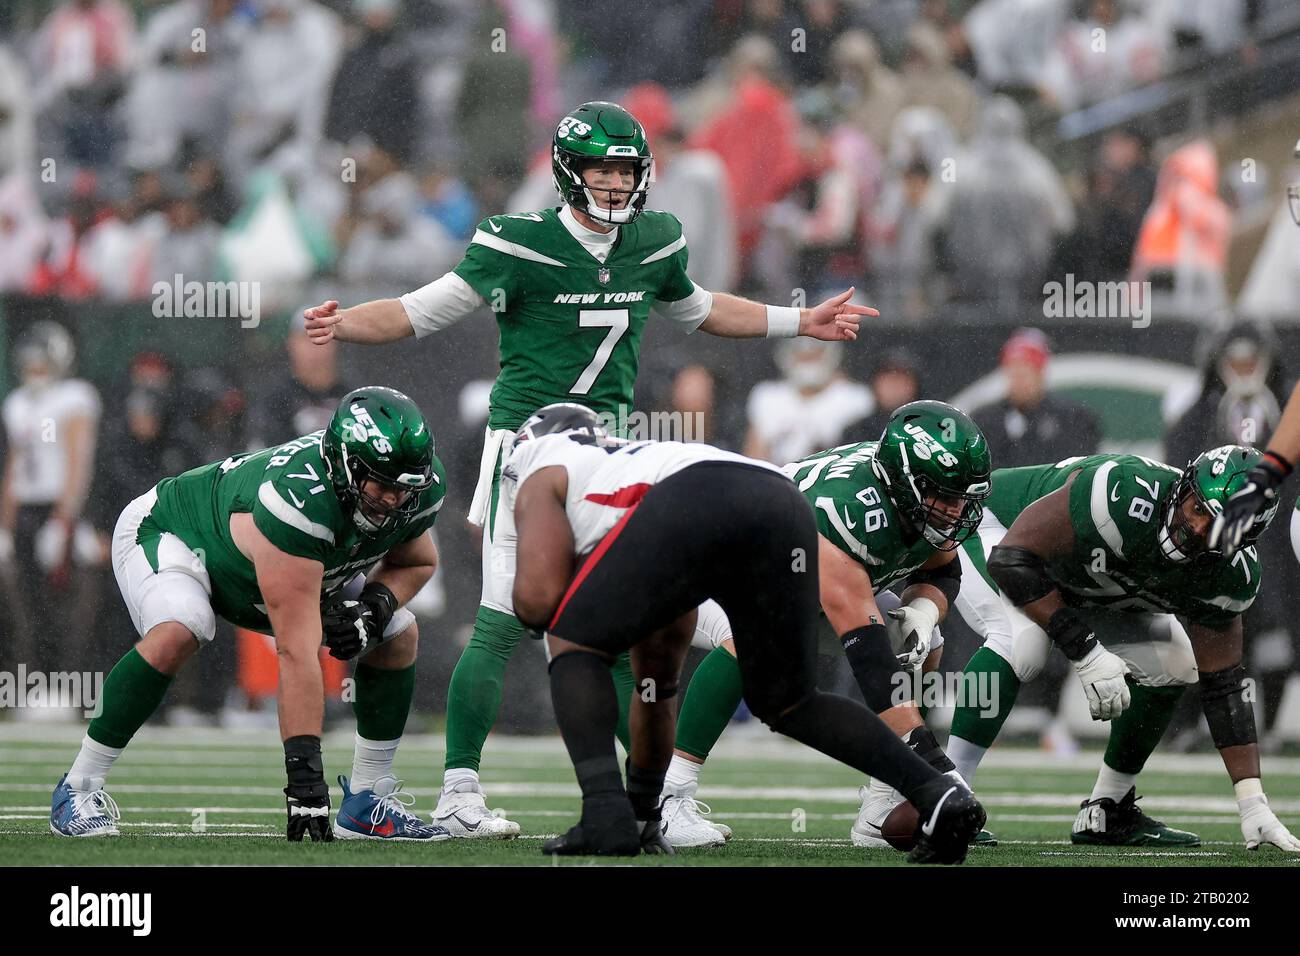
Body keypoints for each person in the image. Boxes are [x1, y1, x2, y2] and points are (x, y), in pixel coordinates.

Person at [301, 101, 875, 839]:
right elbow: (422, 310)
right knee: (505, 619)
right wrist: (344, 321)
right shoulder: (520, 242)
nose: (613, 183)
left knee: (636, 619)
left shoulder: (656, 240)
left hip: (610, 453)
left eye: (626, 170)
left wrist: (801, 320)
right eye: (601, 169)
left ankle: (658, 798)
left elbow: (700, 310)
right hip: (528, 451)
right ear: (569, 173)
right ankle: (459, 792)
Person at [506, 403, 986, 862]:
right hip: (768, 498)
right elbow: (658, 669)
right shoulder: (628, 458)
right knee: (784, 701)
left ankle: (605, 813)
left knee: (573, 641)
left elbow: (534, 604)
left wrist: (576, 609)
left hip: (695, 510)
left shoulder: (539, 458)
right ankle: (936, 794)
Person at [50, 387, 450, 843]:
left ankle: (366, 800)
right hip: (175, 533)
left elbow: (418, 562)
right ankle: (78, 785)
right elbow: (296, 653)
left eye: (405, 488)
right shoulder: (300, 502)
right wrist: (305, 788)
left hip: (266, 572)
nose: (395, 500)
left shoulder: (413, 486)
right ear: (345, 467)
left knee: (398, 631)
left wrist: (375, 608)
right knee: (185, 624)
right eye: (382, 485)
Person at [661, 400, 992, 849]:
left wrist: (924, 609)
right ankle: (668, 798)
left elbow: (941, 572)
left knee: (921, 639)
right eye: (946, 497)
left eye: (962, 498)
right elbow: (871, 663)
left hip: (790, 579)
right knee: (758, 641)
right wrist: (937, 772)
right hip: (702, 567)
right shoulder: (846, 514)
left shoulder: (911, 499)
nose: (956, 511)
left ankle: (881, 806)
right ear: (907, 482)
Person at [946, 446, 1300, 851]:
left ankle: (1108, 809)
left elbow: (1223, 686)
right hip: (1002, 531)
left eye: (1220, 528)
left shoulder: (1230, 576)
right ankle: (946, 791)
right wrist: (1086, 651)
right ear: (1182, 487)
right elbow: (1013, 559)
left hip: (1087, 579)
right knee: (1022, 641)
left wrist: (1251, 801)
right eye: (1199, 510)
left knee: (1175, 665)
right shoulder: (1122, 493)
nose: (1199, 530)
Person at [974, 328, 1101, 469]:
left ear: (1040, 374)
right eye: (1013, 371)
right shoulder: (985, 420)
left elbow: (1075, 469)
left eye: (1026, 372)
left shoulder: (1072, 419)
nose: (1019, 380)